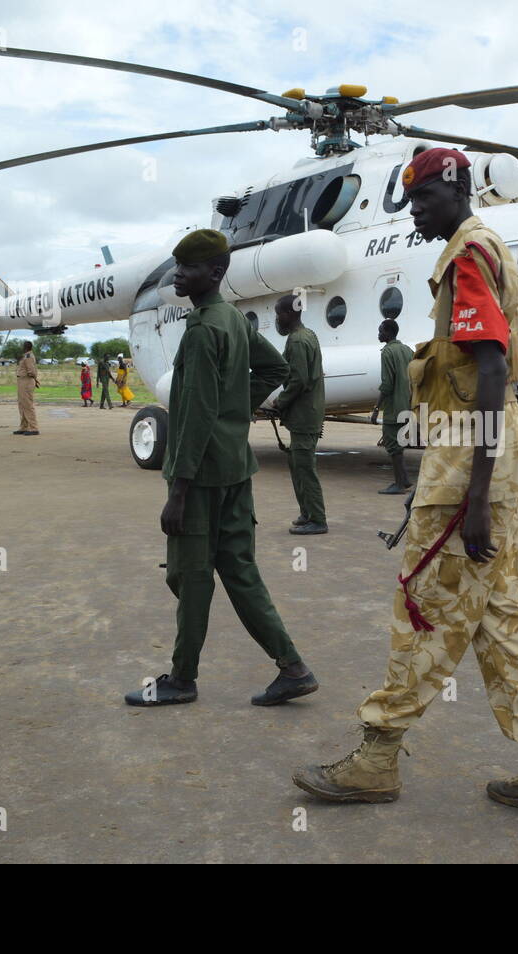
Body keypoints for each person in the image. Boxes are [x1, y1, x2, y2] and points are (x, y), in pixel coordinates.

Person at [293, 147, 518, 815]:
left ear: (454, 190)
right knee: (499, 618)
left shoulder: (466, 256)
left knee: (422, 608)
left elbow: (492, 373)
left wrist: (479, 495)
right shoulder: (498, 253)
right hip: (500, 459)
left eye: (423, 201)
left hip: (465, 472)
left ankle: (376, 756)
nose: (416, 214)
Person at [124, 228, 317, 709]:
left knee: (190, 576)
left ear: (214, 272)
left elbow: (193, 414)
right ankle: (293, 668)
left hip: (203, 478)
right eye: (176, 265)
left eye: (186, 267)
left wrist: (178, 490)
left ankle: (182, 678)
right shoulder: (233, 320)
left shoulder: (205, 328)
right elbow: (274, 371)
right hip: (235, 471)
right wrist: (237, 412)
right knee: (239, 571)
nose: (177, 275)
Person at [273, 293, 328, 534]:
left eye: (278, 314)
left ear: (289, 314)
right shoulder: (309, 335)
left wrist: (280, 402)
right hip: (309, 413)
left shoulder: (297, 341)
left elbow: (298, 380)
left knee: (305, 469)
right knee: (297, 465)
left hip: (304, 416)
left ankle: (317, 519)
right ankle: (307, 513)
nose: (278, 320)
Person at [370, 318, 415, 494]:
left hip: (394, 407)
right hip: (407, 405)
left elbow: (387, 384)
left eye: (381, 330)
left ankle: (398, 484)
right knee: (398, 444)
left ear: (388, 333)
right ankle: (404, 480)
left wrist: (376, 408)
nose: (379, 334)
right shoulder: (407, 350)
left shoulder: (387, 353)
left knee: (392, 444)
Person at [14, 340, 40, 435]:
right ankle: (24, 427)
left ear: (26, 347)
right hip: (22, 381)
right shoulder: (26, 355)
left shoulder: (28, 356)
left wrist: (34, 379)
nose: (22, 347)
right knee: (22, 404)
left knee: (28, 405)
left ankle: (33, 428)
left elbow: (31, 371)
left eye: (24, 346)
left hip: (26, 381)